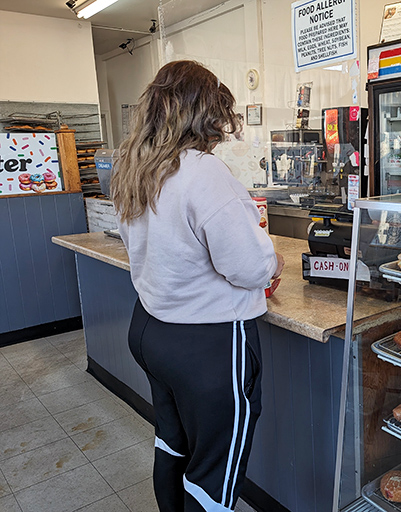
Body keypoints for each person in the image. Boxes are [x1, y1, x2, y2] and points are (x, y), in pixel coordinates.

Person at [110, 60, 284, 512]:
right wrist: (273, 259)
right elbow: (249, 267)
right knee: (214, 472)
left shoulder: (136, 165)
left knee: (173, 441)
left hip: (150, 328)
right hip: (207, 344)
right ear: (203, 112)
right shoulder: (203, 172)